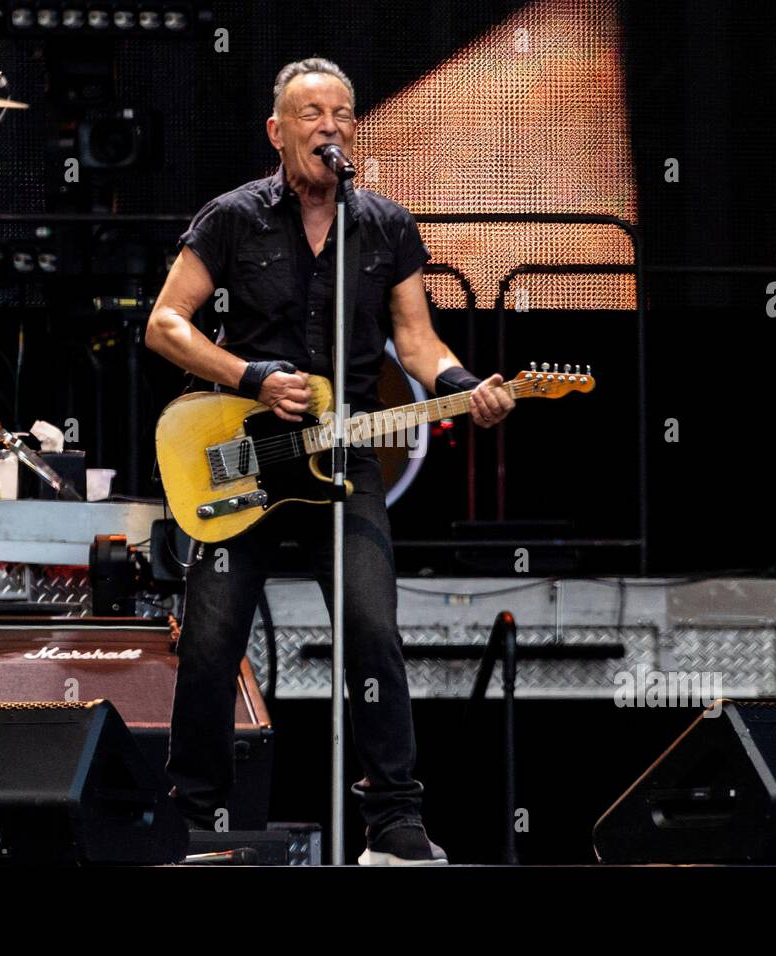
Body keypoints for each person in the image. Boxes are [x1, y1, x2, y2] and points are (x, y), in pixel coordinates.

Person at [145, 57, 514, 865]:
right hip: (244, 456)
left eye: (343, 113)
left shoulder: (384, 225)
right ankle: (197, 819)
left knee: (374, 631)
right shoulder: (232, 218)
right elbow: (166, 323)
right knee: (211, 643)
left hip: (340, 460)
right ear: (278, 132)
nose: (330, 126)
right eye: (312, 113)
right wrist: (251, 376)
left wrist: (462, 385)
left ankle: (395, 824)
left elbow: (416, 342)